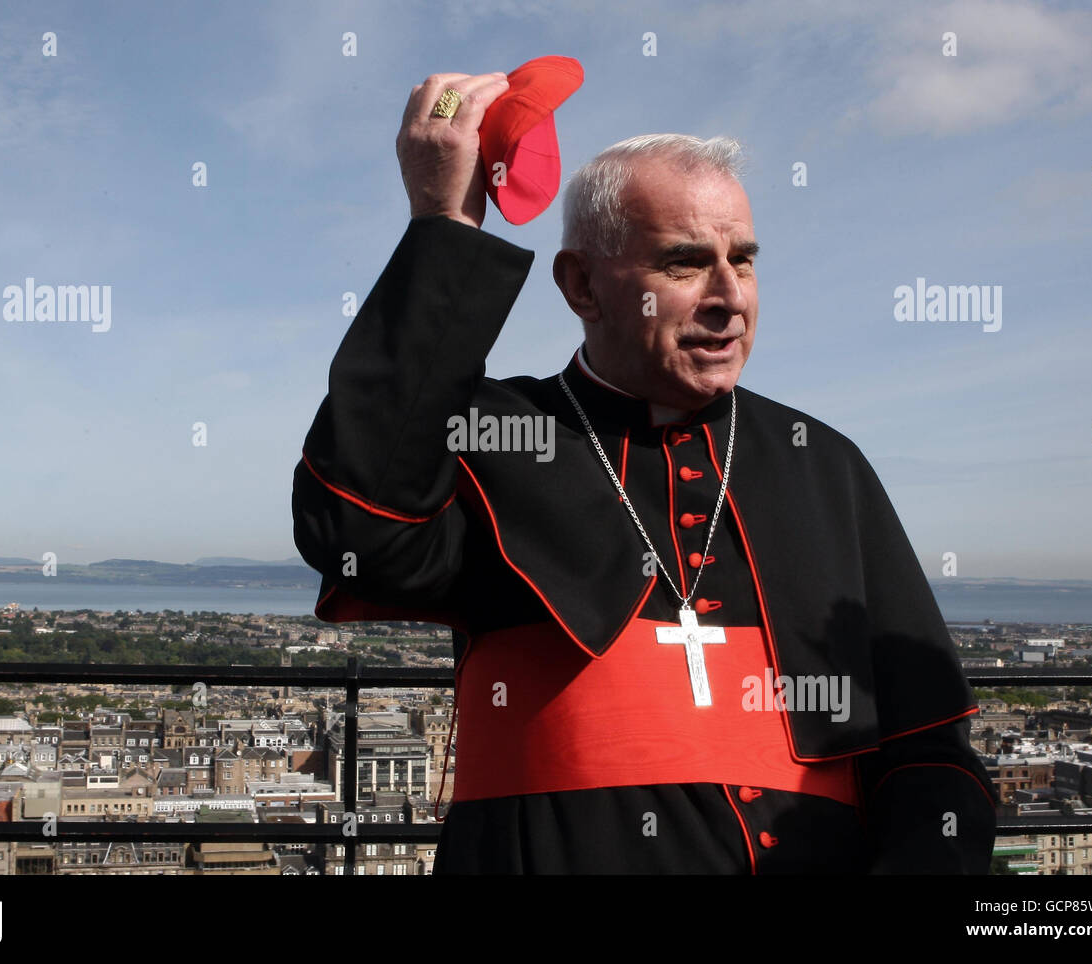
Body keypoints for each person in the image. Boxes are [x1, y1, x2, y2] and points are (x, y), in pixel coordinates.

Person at [292, 71, 997, 873]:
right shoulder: (494, 439)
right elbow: (352, 523)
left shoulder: (825, 463)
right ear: (582, 286)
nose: (730, 297)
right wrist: (444, 225)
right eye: (686, 263)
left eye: (746, 260)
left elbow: (928, 752)